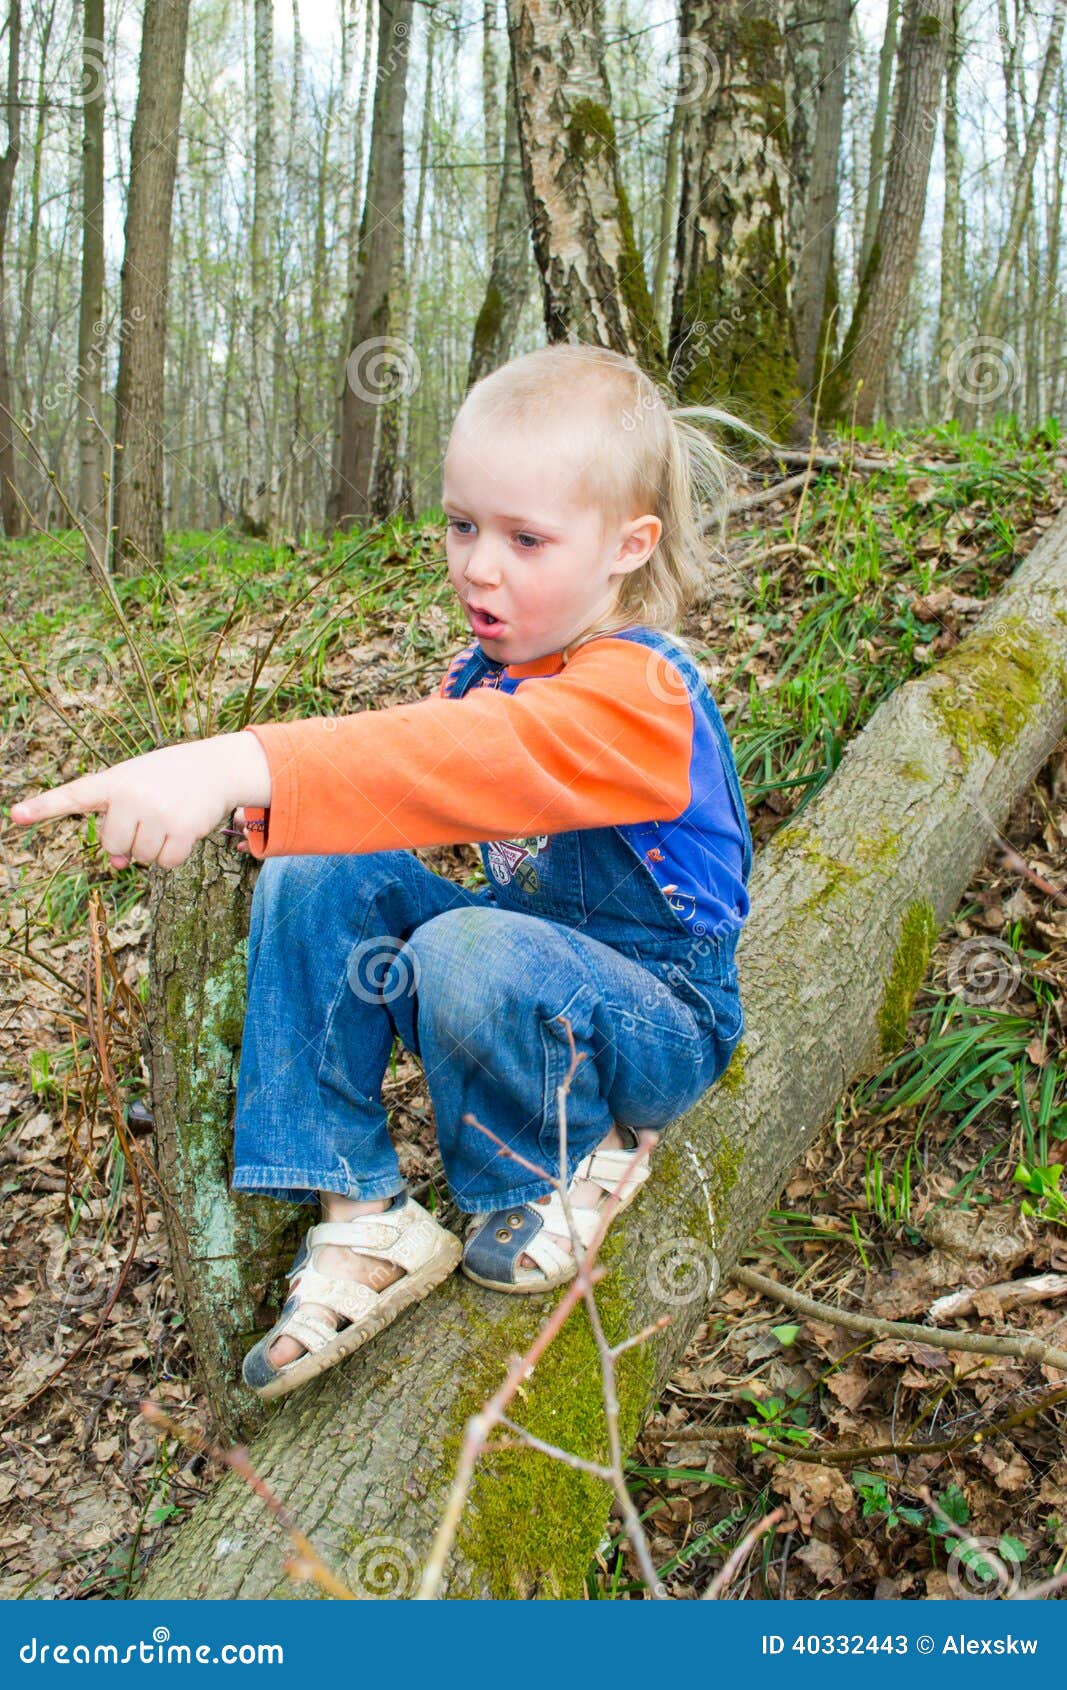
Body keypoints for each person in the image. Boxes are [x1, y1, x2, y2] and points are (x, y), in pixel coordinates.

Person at [11, 343, 754, 1403]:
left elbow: (473, 761)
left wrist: (238, 757)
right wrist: (286, 811)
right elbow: (418, 783)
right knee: (318, 871)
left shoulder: (640, 692)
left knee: (464, 946)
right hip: (522, 968)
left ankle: (561, 1157)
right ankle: (362, 1212)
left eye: (524, 538)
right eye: (462, 526)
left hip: (655, 1021)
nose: (477, 566)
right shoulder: (487, 675)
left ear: (626, 547)